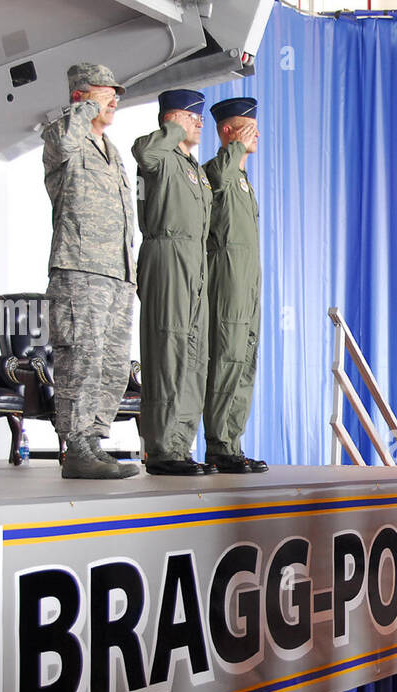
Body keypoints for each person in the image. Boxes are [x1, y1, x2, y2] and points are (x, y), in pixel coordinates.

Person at [40, 62, 139, 480]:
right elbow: (62, 143)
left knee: (111, 363)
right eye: (104, 92)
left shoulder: (111, 150)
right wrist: (82, 109)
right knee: (81, 357)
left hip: (116, 272)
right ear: (81, 95)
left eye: (115, 92)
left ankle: (94, 443)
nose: (114, 98)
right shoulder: (63, 134)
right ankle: (76, 446)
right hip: (79, 268)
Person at [132, 89, 216, 476]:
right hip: (166, 256)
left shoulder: (194, 168)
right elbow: (143, 151)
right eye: (191, 116)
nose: (199, 123)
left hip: (194, 261)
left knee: (193, 356)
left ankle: (181, 444)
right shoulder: (158, 154)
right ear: (172, 118)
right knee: (167, 349)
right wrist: (171, 129)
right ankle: (162, 448)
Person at [203, 97, 267, 473]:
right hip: (226, 279)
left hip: (249, 283)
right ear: (227, 132)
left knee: (245, 360)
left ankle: (233, 441)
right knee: (226, 358)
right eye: (246, 126)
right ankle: (218, 444)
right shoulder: (217, 171)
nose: (256, 132)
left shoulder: (242, 180)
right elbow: (215, 182)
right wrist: (234, 150)